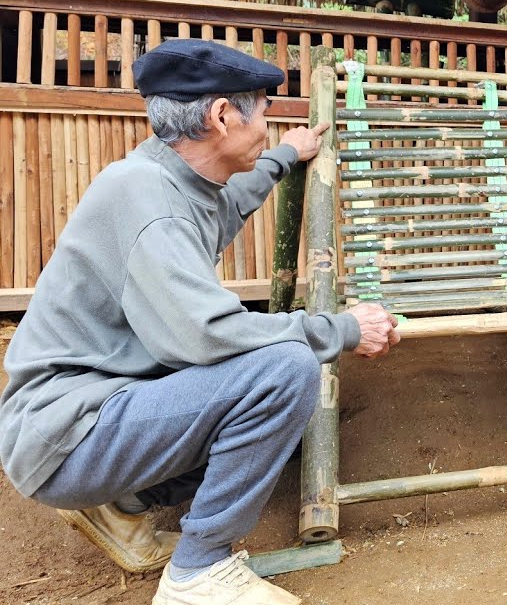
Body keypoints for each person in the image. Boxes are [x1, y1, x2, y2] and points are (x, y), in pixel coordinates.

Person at [0, 39, 401, 605]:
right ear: (221, 116)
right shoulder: (152, 207)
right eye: (262, 109)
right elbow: (207, 335)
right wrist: (342, 329)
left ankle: (122, 503)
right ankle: (199, 571)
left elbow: (231, 200)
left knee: (282, 429)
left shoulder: (171, 177)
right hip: (68, 433)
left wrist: (287, 153)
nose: (267, 122)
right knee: (285, 373)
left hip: (89, 414)